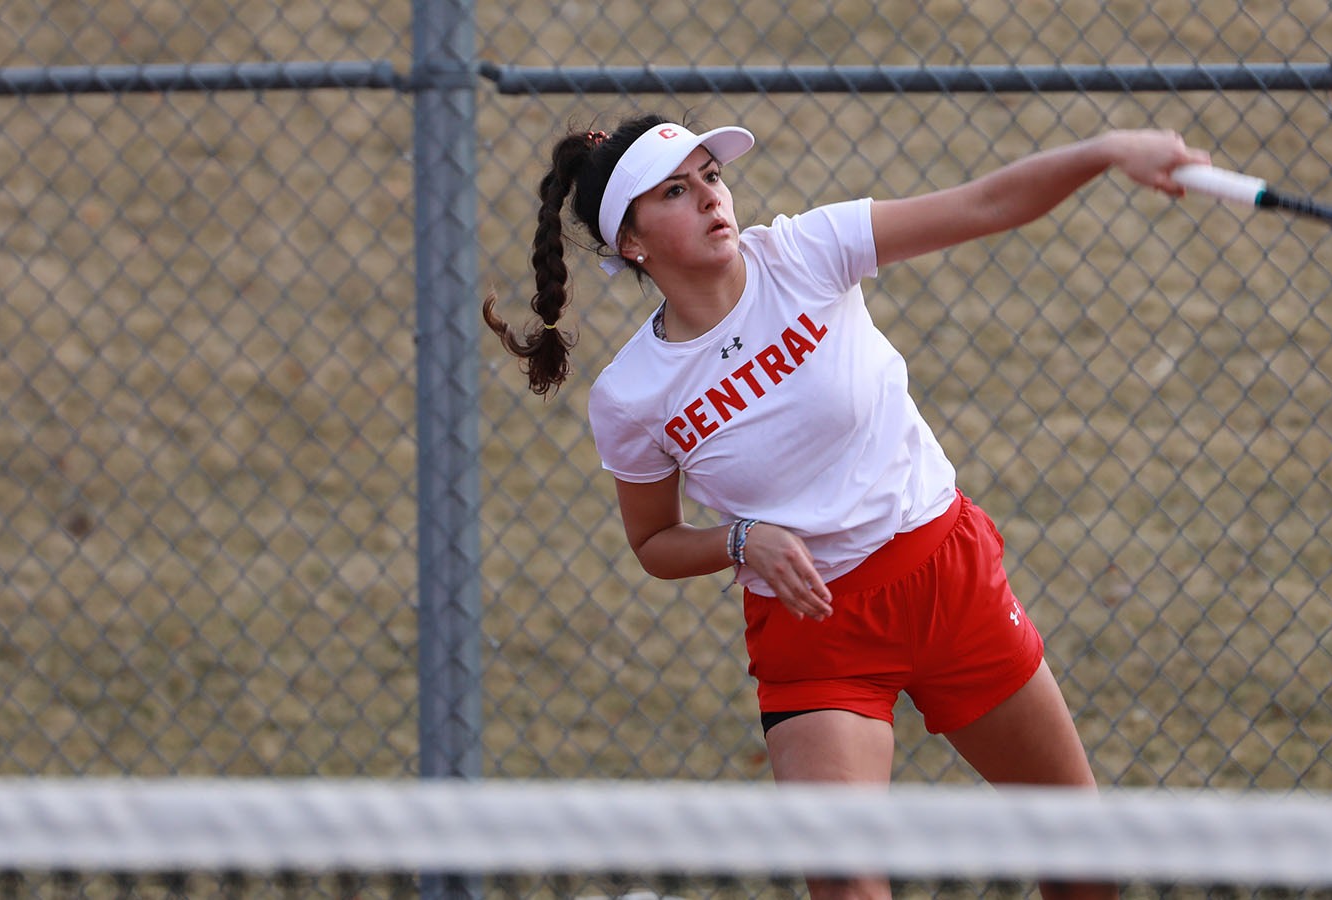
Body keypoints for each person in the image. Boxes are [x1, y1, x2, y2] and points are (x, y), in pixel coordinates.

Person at [484, 113, 1209, 900]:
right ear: (632, 242)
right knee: (849, 888)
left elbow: (986, 204)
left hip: (946, 581)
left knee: (1084, 864)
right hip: (818, 632)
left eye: (710, 177)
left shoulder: (805, 251)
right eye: (674, 192)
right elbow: (654, 542)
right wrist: (741, 540)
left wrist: (1108, 151)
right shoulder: (632, 396)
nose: (711, 198)